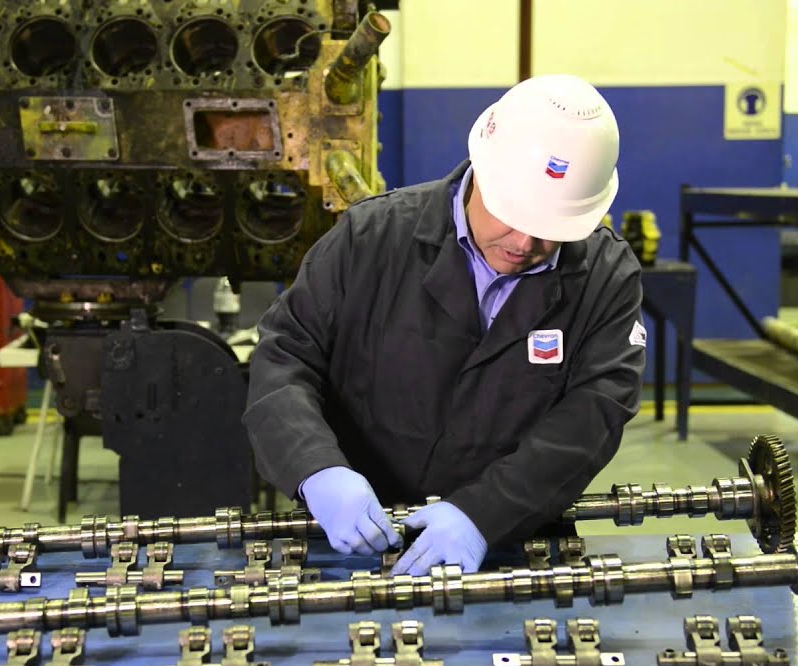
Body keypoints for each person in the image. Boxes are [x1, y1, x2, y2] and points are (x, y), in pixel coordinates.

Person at [243, 75, 646, 576]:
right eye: (511, 213)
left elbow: (594, 413)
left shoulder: (605, 279)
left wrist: (483, 515)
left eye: (550, 229)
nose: (523, 243)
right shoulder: (370, 240)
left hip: (510, 537)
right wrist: (316, 469)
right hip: (353, 534)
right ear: (481, 170)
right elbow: (285, 358)